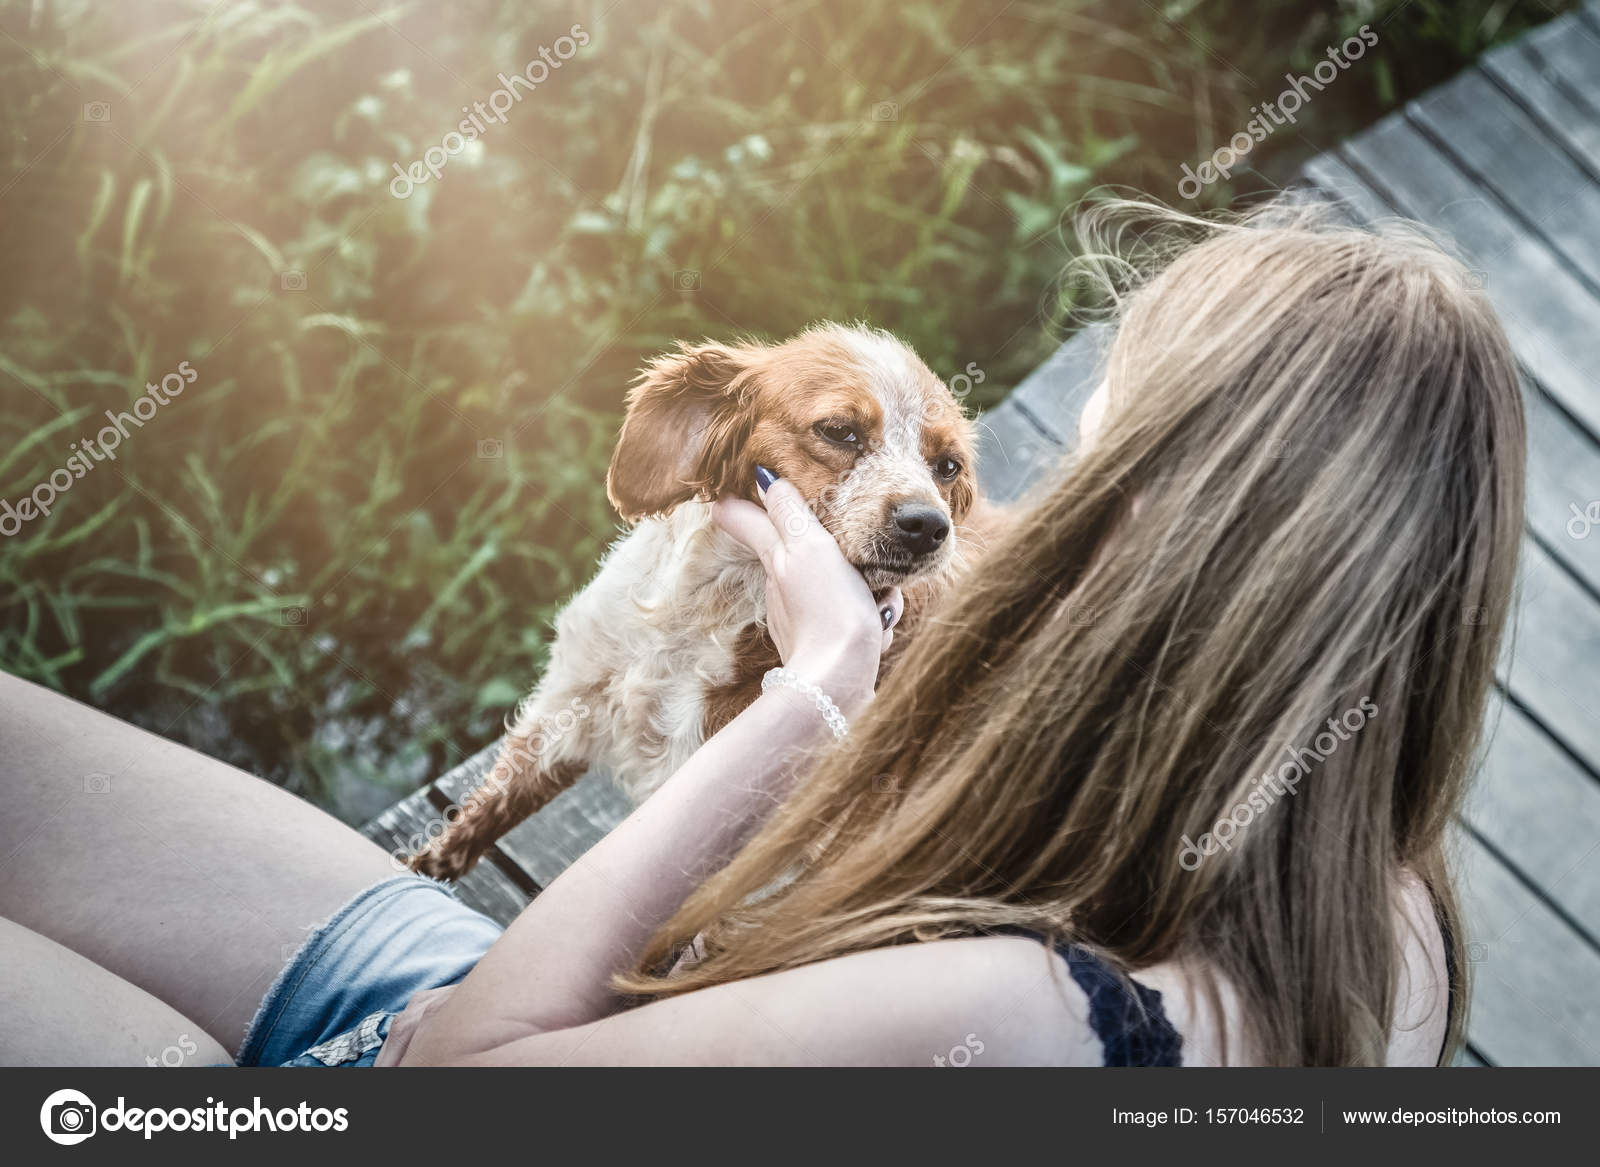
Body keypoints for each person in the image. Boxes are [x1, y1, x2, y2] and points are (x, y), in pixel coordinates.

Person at [0, 200, 1523, 1067]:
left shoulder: (1020, 1013)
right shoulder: (1388, 924)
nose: (1005, 513)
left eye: (1091, 460)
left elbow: (463, 1078)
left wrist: (810, 698)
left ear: (1164, 527)